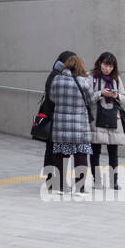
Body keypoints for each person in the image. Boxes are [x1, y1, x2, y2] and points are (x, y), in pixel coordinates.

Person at [49, 54, 99, 194]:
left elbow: (52, 97)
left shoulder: (57, 80)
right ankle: (80, 187)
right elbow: (91, 99)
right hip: (79, 126)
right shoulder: (83, 81)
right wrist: (99, 93)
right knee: (81, 154)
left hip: (60, 126)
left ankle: (59, 186)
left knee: (60, 155)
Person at [90, 52, 125, 190]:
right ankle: (96, 181)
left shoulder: (116, 78)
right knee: (95, 151)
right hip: (97, 117)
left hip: (112, 118)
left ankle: (114, 181)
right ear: (100, 63)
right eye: (105, 65)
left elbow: (123, 97)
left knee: (113, 152)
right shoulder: (92, 77)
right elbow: (87, 97)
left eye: (110, 66)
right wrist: (101, 93)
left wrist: (116, 95)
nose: (107, 69)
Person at [40, 50, 76, 185]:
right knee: (54, 150)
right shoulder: (56, 76)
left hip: (55, 116)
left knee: (53, 149)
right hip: (55, 118)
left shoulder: (56, 74)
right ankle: (52, 179)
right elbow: (52, 99)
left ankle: (51, 179)